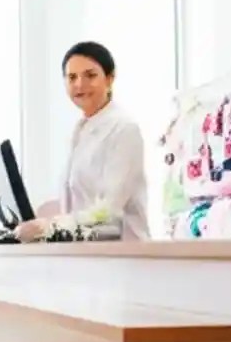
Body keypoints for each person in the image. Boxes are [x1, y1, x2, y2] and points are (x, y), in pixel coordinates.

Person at [15, 41, 149, 242]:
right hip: (88, 253)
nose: (79, 84)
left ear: (110, 78)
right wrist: (34, 218)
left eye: (90, 75)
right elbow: (77, 201)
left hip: (125, 254)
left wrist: (49, 226)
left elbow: (109, 210)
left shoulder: (124, 129)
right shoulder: (81, 129)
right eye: (72, 77)